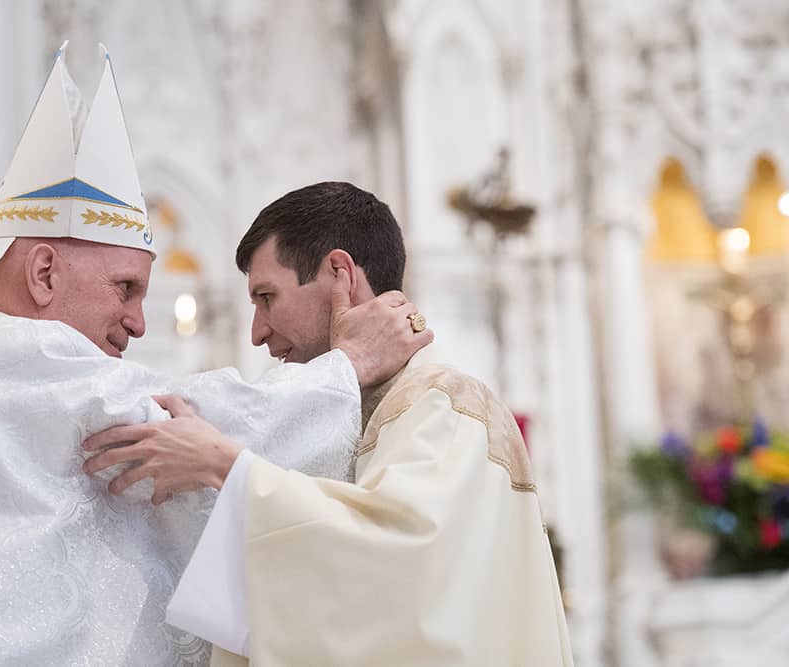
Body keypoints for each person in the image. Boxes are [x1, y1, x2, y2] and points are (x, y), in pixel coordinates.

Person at [0, 47, 426, 666]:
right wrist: (345, 368)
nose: (138, 322)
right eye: (126, 288)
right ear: (45, 271)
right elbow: (180, 427)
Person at [85, 182, 575, 666]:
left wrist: (225, 468)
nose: (258, 333)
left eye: (267, 297)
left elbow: (403, 570)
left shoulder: (442, 401)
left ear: (340, 274)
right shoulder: (335, 413)